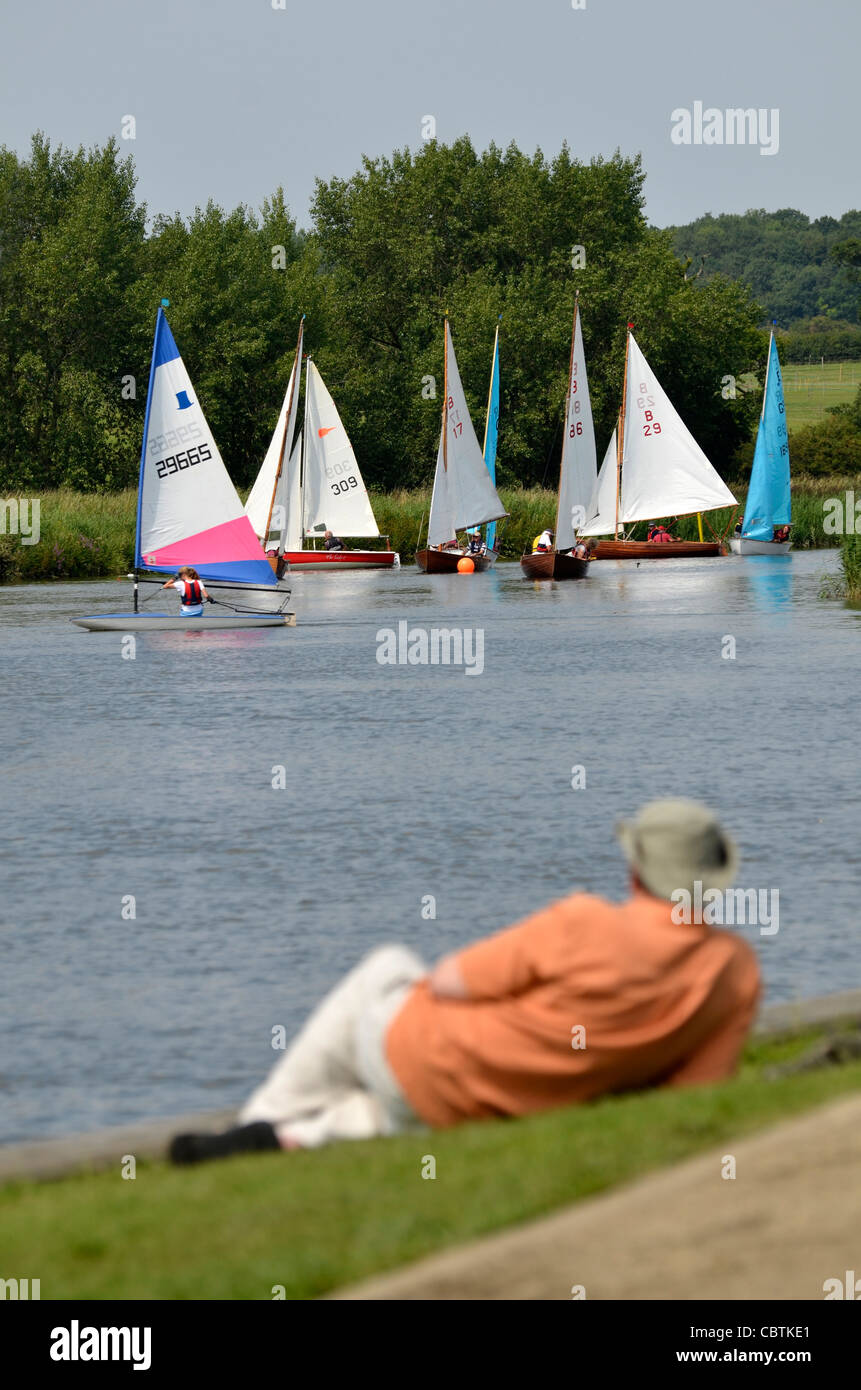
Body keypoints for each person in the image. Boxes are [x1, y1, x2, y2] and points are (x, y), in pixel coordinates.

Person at [170, 799, 761, 1164]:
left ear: (635, 873)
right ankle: (299, 1141)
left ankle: (257, 1124)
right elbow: (697, 1095)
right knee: (394, 1106)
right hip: (502, 1109)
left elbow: (455, 979)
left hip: (425, 1057)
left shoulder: (582, 921)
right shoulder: (738, 974)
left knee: (390, 966)